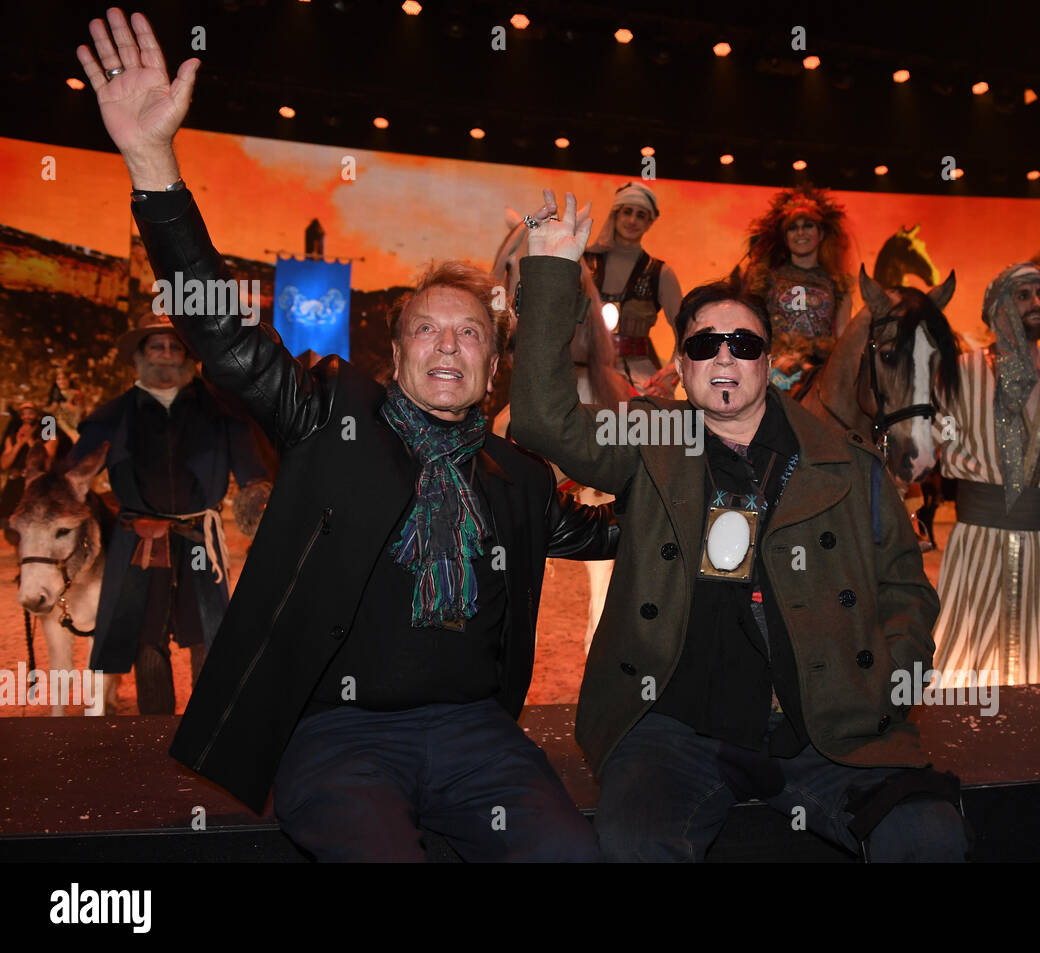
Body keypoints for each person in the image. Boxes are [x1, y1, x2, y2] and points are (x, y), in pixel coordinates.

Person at [77, 8, 616, 861]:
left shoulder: (514, 475)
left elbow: (620, 527)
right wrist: (151, 161)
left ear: (490, 366)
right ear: (394, 352)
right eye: (428, 330)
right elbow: (223, 337)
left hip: (478, 738)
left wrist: (707, 453)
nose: (449, 344)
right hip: (339, 736)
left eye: (470, 332)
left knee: (570, 854)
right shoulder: (328, 418)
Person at [511, 189, 968, 862]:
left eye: (743, 342)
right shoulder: (648, 437)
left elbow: (906, 588)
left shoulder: (852, 465)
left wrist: (889, 674)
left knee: (927, 836)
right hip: (676, 728)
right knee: (633, 843)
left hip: (825, 727)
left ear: (765, 358)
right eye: (704, 343)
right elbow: (542, 420)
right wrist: (551, 270)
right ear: (686, 364)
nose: (724, 355)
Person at [67, 312, 270, 715]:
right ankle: (154, 731)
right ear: (140, 355)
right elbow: (73, 477)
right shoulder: (111, 416)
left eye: (174, 346)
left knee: (207, 635)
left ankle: (210, 728)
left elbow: (253, 476)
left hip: (200, 540)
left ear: (187, 356)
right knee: (146, 636)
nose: (165, 354)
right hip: (139, 541)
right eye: (155, 346)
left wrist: (260, 499)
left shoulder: (221, 413)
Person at [931, 263, 1040, 686]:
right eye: (1023, 296)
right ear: (996, 308)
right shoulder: (959, 371)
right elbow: (939, 434)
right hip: (978, 540)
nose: (1037, 303)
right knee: (964, 648)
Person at [741, 185, 854, 395]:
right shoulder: (765, 278)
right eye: (793, 228)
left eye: (808, 225)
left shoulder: (838, 285)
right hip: (772, 370)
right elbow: (752, 327)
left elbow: (843, 336)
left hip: (820, 372)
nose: (800, 233)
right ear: (785, 238)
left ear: (821, 234)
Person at [582, 182, 682, 391]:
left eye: (641, 215)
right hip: (581, 368)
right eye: (627, 212)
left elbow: (686, 330)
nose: (632, 220)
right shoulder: (582, 263)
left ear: (649, 223)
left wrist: (672, 373)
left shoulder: (660, 273)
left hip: (639, 376)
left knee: (651, 418)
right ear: (615, 214)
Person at [1, 401, 62, 545]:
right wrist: (19, 444)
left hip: (37, 484)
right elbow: (4, 463)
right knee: (11, 530)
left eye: (31, 412)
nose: (27, 416)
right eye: (24, 413)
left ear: (38, 414)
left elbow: (49, 454)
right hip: (15, 486)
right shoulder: (13, 436)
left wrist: (30, 440)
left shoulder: (48, 430)